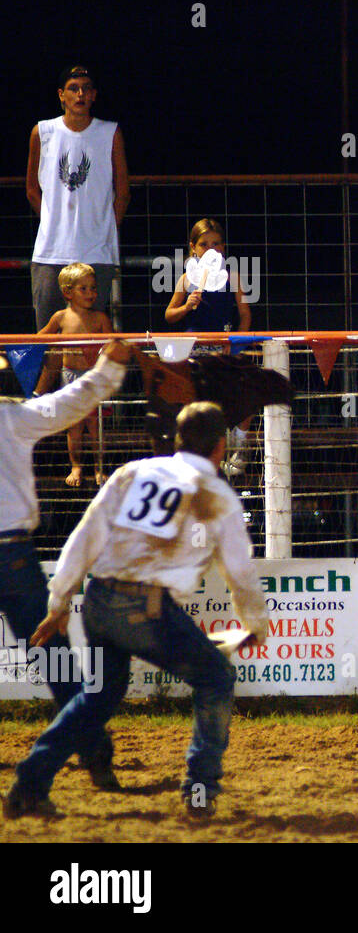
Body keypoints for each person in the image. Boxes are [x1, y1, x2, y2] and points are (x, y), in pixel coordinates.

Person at [3, 401, 269, 820]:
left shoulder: (134, 472)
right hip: (146, 609)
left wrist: (59, 602)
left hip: (99, 600)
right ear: (220, 448)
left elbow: (86, 534)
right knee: (216, 679)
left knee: (99, 695)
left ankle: (29, 784)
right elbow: (240, 570)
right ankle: (199, 791)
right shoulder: (217, 494)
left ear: (177, 440)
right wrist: (255, 624)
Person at [0, 339, 132, 796]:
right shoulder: (11, 418)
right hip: (11, 552)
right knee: (56, 661)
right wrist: (110, 369)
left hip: (12, 552)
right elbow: (71, 402)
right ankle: (97, 759)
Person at [26, 65, 130, 331]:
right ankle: (44, 375)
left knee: (91, 338)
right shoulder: (42, 132)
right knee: (47, 337)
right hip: (51, 252)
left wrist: (105, 228)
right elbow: (32, 189)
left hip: (95, 251)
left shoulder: (110, 132)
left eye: (86, 88)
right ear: (61, 95)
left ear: (94, 95)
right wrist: (53, 220)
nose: (80, 94)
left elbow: (123, 191)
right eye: (73, 88)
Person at [164, 218, 255, 474]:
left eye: (216, 244)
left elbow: (245, 314)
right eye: (204, 244)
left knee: (244, 392)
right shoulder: (186, 279)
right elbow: (169, 315)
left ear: (223, 248)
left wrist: (235, 341)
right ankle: (197, 455)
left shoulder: (233, 277)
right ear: (193, 248)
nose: (211, 249)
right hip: (194, 350)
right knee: (196, 405)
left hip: (224, 346)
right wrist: (186, 306)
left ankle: (239, 447)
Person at [34, 264, 117, 487]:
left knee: (95, 425)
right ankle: (76, 466)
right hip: (69, 376)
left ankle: (99, 467)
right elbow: (38, 338)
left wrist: (99, 352)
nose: (91, 293)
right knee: (75, 426)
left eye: (93, 288)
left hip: (93, 376)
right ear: (67, 293)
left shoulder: (100, 318)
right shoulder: (60, 318)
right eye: (84, 289)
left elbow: (114, 345)